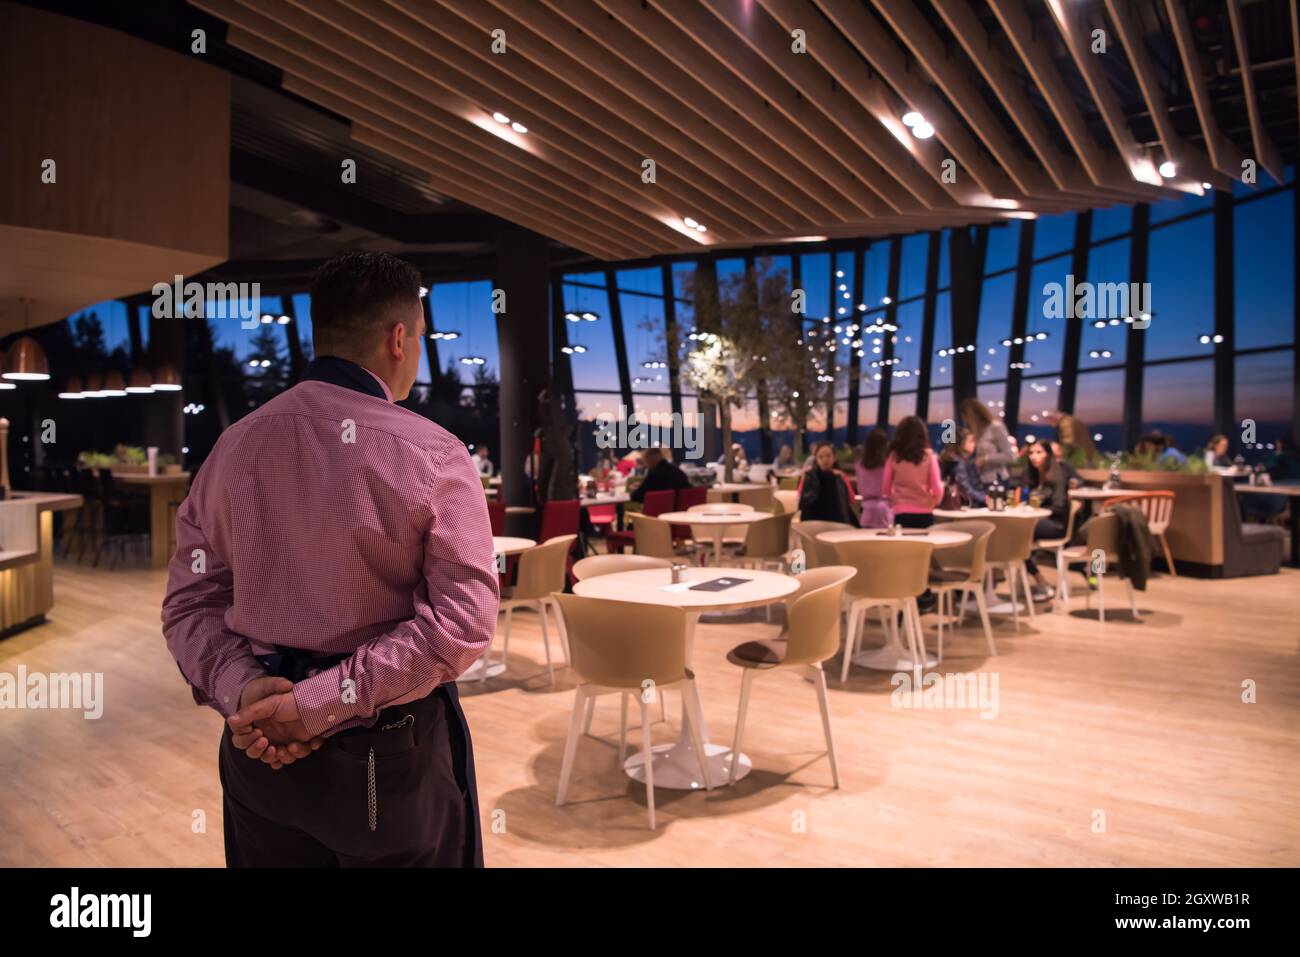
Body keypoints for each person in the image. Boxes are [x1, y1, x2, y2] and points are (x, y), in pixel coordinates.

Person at [161, 251, 499, 868]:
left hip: (257, 752)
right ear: (399, 339)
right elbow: (461, 624)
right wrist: (316, 707)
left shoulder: (232, 448)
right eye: (421, 339)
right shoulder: (433, 453)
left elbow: (190, 601)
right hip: (384, 764)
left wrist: (247, 692)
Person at [1020, 439, 1073, 599]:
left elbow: (1059, 507)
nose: (1033, 457)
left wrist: (1037, 511)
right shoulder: (1033, 477)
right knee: (1013, 534)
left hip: (1055, 525)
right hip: (1036, 522)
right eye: (1031, 453)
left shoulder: (1058, 477)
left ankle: (1041, 583)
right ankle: (1039, 581)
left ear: (1049, 455)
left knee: (1018, 536)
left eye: (1039, 452)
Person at [882, 416, 943, 528]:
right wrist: (934, 501)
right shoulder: (929, 456)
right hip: (925, 511)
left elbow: (885, 487)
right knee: (923, 545)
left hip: (901, 512)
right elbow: (937, 488)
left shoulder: (894, 457)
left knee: (905, 545)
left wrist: (896, 500)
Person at [797, 441, 858, 524]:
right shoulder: (809, 477)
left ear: (834, 458)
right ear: (816, 460)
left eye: (828, 456)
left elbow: (851, 499)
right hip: (814, 524)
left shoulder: (840, 476)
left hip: (838, 523)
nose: (825, 459)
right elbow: (801, 500)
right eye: (821, 457)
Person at [960, 397, 1014, 487]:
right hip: (980, 481)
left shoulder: (996, 427)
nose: (966, 422)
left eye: (966, 418)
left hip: (996, 481)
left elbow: (1009, 456)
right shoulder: (977, 431)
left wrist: (985, 459)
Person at [855, 428, 893, 528]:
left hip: (866, 513)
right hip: (885, 513)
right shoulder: (889, 466)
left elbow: (860, 489)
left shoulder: (859, 465)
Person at [939, 428, 987, 507]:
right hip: (963, 505)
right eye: (971, 441)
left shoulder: (958, 460)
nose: (974, 444)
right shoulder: (958, 462)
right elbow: (965, 488)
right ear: (961, 442)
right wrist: (984, 498)